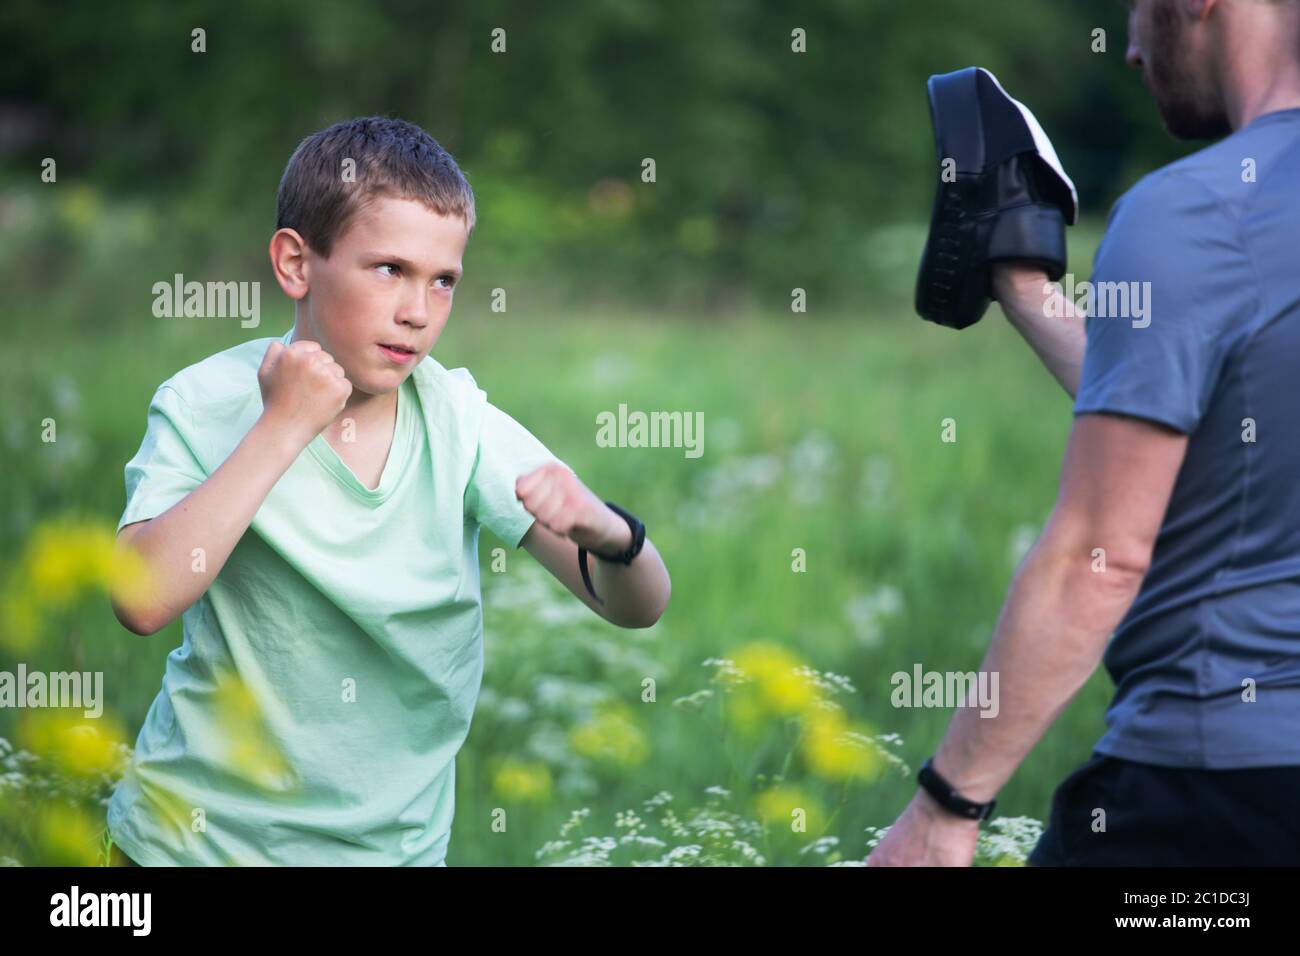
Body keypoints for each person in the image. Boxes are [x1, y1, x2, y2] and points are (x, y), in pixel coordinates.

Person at [107, 116, 671, 866]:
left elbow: (639, 607)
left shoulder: (457, 420)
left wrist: (613, 537)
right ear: (296, 264)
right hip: (186, 848)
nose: (418, 311)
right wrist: (283, 427)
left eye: (444, 282)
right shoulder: (205, 401)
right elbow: (140, 598)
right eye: (389, 270)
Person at [869, 0, 1300, 865]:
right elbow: (1230, 436)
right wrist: (1024, 286)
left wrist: (945, 809)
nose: (1133, 46)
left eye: (1136, 9)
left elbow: (1101, 555)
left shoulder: (1201, 212)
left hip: (1219, 795)